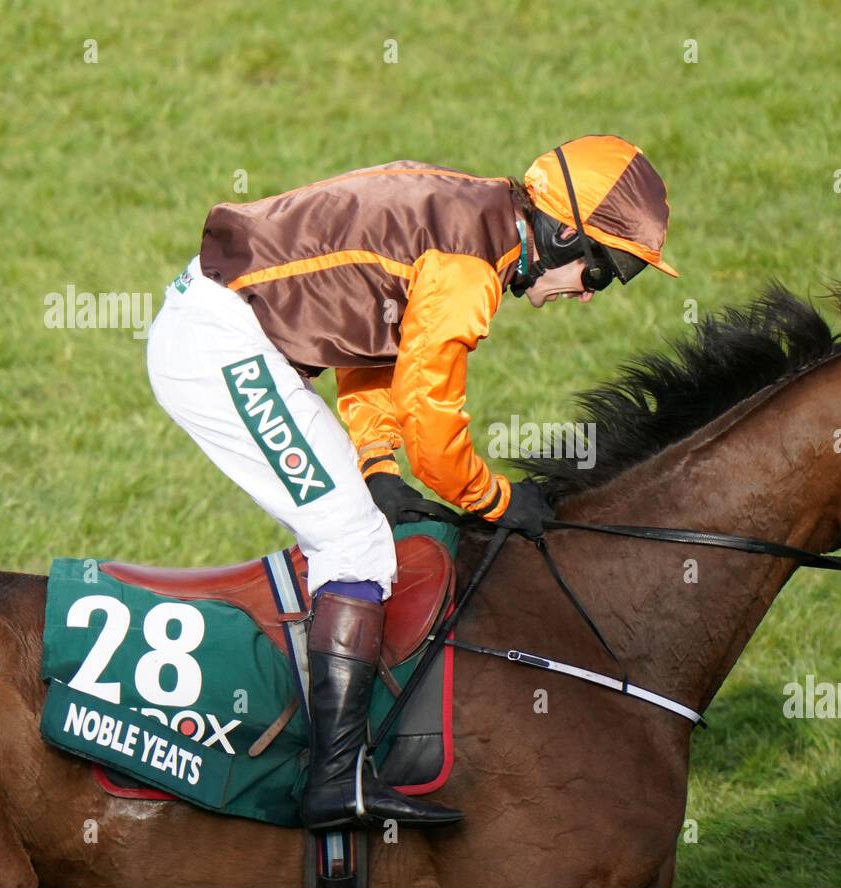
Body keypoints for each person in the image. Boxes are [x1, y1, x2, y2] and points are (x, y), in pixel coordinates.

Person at [145, 134, 676, 831]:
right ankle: (336, 780)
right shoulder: (468, 266)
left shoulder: (474, 210)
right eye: (601, 273)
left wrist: (375, 463)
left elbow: (365, 330)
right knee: (353, 542)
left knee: (355, 520)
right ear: (564, 231)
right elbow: (432, 424)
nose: (587, 295)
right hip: (217, 347)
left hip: (224, 328)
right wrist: (498, 498)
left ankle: (330, 739)